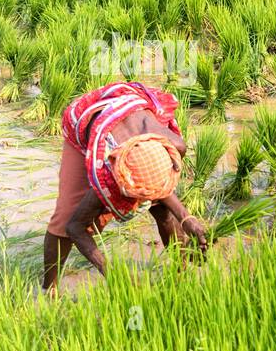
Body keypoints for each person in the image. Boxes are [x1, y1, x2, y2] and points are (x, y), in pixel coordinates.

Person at [44, 81, 206, 291]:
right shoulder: (109, 171)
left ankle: (181, 276)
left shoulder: (173, 148)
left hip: (131, 109)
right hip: (84, 121)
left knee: (163, 210)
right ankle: (49, 289)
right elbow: (75, 227)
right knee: (65, 215)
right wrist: (111, 272)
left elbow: (161, 187)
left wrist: (187, 219)